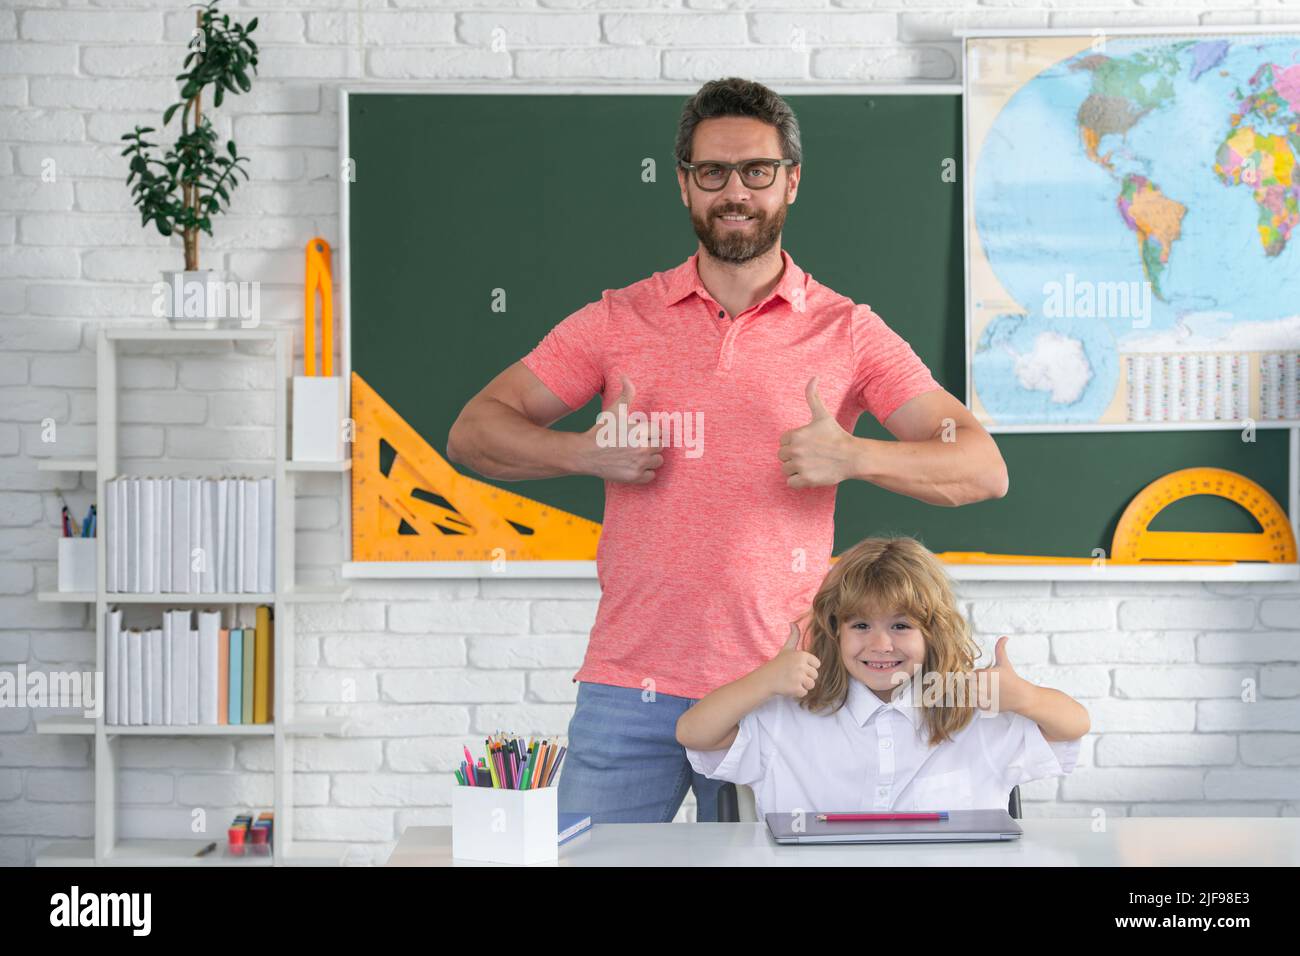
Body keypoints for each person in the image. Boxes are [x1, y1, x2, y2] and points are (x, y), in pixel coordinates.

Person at [447, 78, 1009, 823]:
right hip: (628, 687)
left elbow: (981, 467)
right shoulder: (617, 320)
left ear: (791, 181)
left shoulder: (848, 332)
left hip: (788, 686)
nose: (735, 191)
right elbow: (473, 431)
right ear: (684, 185)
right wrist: (585, 454)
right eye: (712, 172)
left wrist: (855, 457)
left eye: (757, 171)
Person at [677, 537, 1089, 820]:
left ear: (933, 633)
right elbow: (695, 733)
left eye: (900, 626)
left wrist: (1022, 697)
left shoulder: (973, 711)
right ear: (834, 632)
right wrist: (762, 681)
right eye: (860, 626)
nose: (880, 644)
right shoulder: (789, 716)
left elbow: (1073, 726)